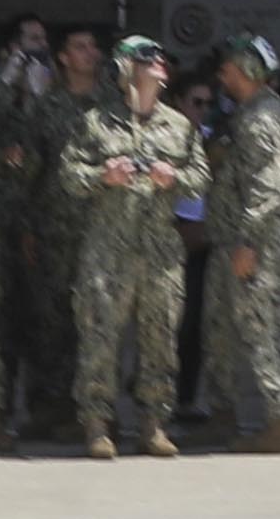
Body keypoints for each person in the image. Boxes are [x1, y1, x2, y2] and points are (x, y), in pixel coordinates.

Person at [56, 32, 193, 460]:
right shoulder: (95, 122)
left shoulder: (180, 125)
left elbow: (202, 177)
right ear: (124, 69)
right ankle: (98, 423)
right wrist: (103, 175)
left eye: (159, 58)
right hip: (107, 250)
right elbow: (68, 175)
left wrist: (175, 178)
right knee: (99, 337)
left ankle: (154, 423)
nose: (158, 64)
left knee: (160, 340)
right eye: (146, 58)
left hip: (160, 253)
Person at [202, 36, 280, 449]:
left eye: (227, 68)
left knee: (261, 326)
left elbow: (270, 186)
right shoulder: (246, 114)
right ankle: (222, 413)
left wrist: (248, 240)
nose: (221, 76)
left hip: (253, 241)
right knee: (221, 327)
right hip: (230, 238)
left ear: (246, 70)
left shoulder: (262, 118)